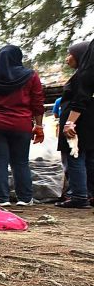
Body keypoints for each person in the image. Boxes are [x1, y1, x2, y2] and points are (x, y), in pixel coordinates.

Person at [0, 44, 44, 206]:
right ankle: (25, 198)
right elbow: (38, 103)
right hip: (21, 124)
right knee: (21, 162)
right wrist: (39, 126)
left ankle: (1, 199)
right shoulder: (31, 76)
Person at [57, 39, 94, 209]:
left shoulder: (84, 75)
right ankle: (89, 193)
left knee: (75, 156)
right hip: (89, 121)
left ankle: (79, 195)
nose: (67, 59)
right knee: (89, 158)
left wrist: (70, 122)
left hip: (78, 121)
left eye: (70, 54)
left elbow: (79, 99)